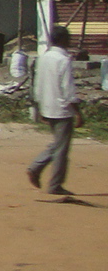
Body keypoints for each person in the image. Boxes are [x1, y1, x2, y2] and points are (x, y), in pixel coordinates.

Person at [28, 25, 80, 196]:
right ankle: (54, 183)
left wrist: (39, 107)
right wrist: (78, 112)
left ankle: (37, 167)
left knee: (58, 144)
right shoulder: (63, 60)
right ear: (64, 40)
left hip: (47, 107)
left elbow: (38, 84)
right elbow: (68, 89)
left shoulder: (44, 58)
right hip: (62, 109)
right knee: (62, 150)